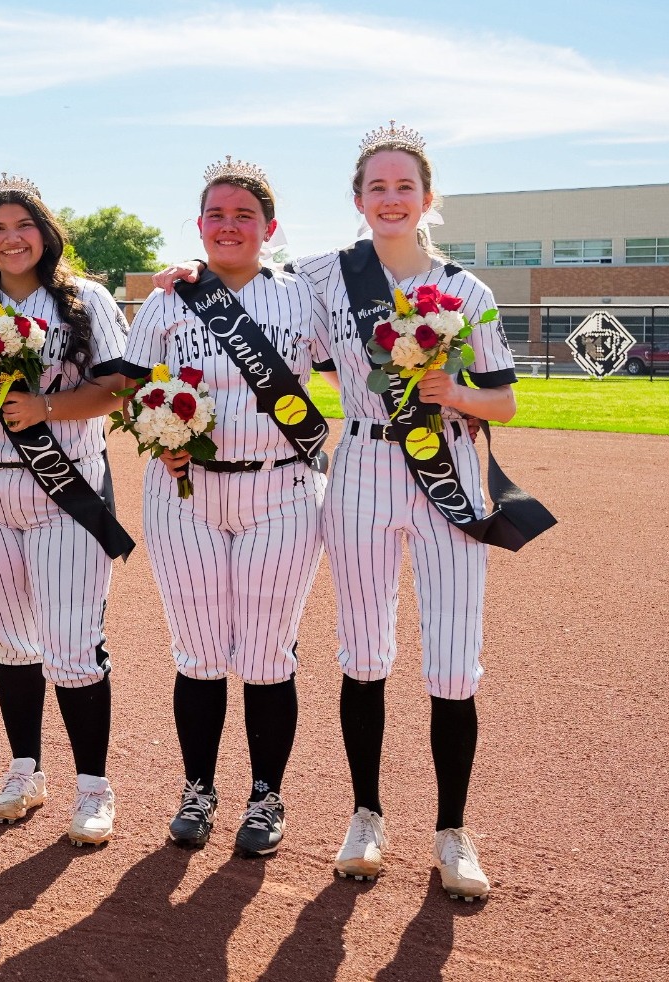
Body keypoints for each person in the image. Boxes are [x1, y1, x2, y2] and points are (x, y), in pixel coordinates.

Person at [156, 123, 525, 899]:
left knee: (453, 663)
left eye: (404, 187)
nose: (390, 200)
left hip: (444, 464)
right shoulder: (322, 276)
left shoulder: (470, 292)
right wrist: (187, 274)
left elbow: (506, 398)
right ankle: (366, 816)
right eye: (375, 188)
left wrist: (454, 393)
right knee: (363, 653)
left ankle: (452, 832)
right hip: (359, 466)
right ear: (356, 200)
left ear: (427, 198)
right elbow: (244, 289)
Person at [119, 157, 331, 857]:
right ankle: (198, 789)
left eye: (244, 215)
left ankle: (266, 796)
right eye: (215, 214)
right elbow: (132, 387)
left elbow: (359, 373)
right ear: (198, 224)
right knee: (200, 654)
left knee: (268, 655)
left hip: (281, 490)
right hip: (185, 495)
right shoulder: (168, 299)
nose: (229, 225)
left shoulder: (304, 300)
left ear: (269, 228)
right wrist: (156, 437)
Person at [0, 174, 132, 846]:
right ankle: (24, 770)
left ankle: (92, 788)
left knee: (72, 647)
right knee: (8, 641)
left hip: (64, 493)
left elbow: (117, 386)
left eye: (20, 225)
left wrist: (48, 407)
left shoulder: (83, 300)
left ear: (44, 233)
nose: (9, 238)